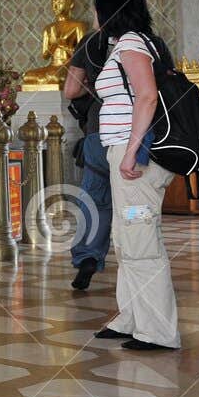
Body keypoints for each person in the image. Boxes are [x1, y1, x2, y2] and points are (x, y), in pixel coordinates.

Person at [88, 0, 179, 351]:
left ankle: (158, 331)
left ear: (109, 11)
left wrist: (131, 151)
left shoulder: (131, 43)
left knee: (141, 239)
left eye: (95, 8)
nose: (91, 15)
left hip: (136, 158)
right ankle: (130, 317)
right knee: (127, 237)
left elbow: (147, 96)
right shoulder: (131, 43)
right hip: (127, 153)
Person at [62, 29, 112, 290]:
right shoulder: (149, 40)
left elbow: (71, 89)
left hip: (99, 129)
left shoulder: (93, 40)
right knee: (135, 201)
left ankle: (87, 256)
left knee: (96, 200)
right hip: (139, 133)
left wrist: (95, 87)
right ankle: (137, 257)